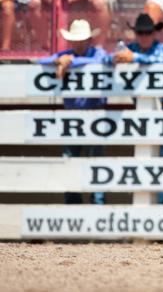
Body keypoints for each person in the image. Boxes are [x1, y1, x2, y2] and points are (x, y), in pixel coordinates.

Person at [105, 13, 163, 203]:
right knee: (143, 157)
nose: (144, 36)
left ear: (154, 34)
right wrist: (115, 59)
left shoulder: (162, 48)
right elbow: (108, 60)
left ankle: (161, 204)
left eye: (147, 33)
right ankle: (149, 204)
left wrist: (132, 57)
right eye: (141, 33)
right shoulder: (131, 49)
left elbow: (162, 62)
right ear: (136, 34)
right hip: (140, 109)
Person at [38, 19, 107, 205]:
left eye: (81, 39)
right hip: (73, 116)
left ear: (88, 40)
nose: (78, 43)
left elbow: (101, 61)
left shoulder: (96, 53)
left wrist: (69, 62)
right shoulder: (66, 55)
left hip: (94, 114)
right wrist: (58, 60)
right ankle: (74, 206)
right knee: (71, 162)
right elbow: (42, 60)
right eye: (75, 39)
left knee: (95, 163)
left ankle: (97, 206)